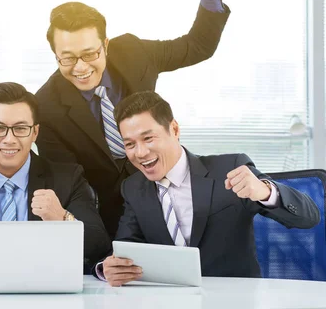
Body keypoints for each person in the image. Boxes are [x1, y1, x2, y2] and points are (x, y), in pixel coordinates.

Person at [35, 0, 231, 236]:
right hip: (106, 209)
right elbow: (68, 179)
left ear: (105, 45)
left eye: (90, 54)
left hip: (169, 185)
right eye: (66, 58)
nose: (80, 68)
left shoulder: (133, 53)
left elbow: (196, 47)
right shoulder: (46, 106)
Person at [96, 91, 320, 285]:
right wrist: (109, 268)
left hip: (234, 301)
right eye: (130, 144)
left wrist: (265, 191)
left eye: (148, 138)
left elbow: (309, 217)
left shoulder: (230, 168)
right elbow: (126, 247)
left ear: (174, 129)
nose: (140, 153)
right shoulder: (134, 188)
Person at [0, 82, 110, 275]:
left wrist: (61, 219)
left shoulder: (67, 178)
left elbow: (99, 246)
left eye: (21, 128)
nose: (9, 139)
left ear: (35, 132)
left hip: (48, 290)